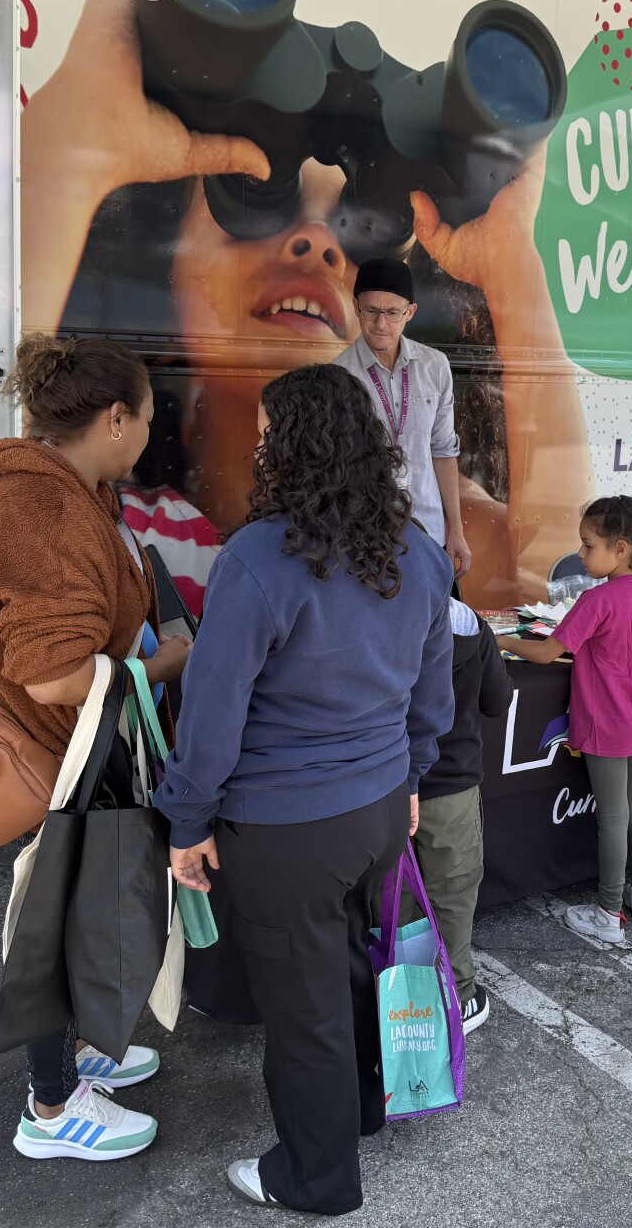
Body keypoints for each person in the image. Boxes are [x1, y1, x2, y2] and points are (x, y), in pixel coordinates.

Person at [19, 0, 590, 610]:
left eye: (366, 229)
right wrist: (70, 151)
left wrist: (514, 267)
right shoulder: (119, 527)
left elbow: (559, 599)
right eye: (252, 196)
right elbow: (17, 508)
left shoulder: (410, 521)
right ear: (167, 257)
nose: (319, 243)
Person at [156, 364, 453, 1215]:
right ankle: (359, 1111)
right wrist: (411, 777)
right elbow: (432, 695)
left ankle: (315, 1178)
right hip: (378, 811)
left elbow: (213, 711)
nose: (256, 450)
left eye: (265, 438)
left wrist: (187, 819)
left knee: (304, 1007)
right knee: (349, 970)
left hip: (286, 830)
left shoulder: (258, 558)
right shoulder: (417, 551)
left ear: (287, 450)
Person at [0, 333, 193, 1159]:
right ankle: (50, 1110)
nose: (149, 433)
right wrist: (159, 666)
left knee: (77, 914)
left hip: (73, 752)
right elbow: (51, 676)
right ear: (115, 418)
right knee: (48, 926)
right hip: (52, 753)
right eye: (146, 418)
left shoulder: (67, 489)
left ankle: (76, 1057)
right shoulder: (41, 506)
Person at [509, 497, 632, 944]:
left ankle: (607, 913)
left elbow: (546, 653)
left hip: (607, 724)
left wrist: (498, 639)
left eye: (587, 545)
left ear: (621, 549)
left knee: (613, 816)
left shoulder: (597, 600)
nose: (580, 555)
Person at [333, 256, 470, 577]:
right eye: (371, 311)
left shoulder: (435, 366)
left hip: (428, 529)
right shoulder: (338, 375)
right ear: (356, 307)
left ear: (410, 312)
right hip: (364, 533)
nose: (381, 324)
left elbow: (444, 450)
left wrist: (456, 530)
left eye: (393, 313)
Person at [413, 592, 513, 1032]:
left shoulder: (373, 612)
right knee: (451, 893)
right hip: (450, 783)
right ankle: (457, 996)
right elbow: (497, 700)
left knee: (393, 894)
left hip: (384, 784)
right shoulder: (468, 622)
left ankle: (401, 994)